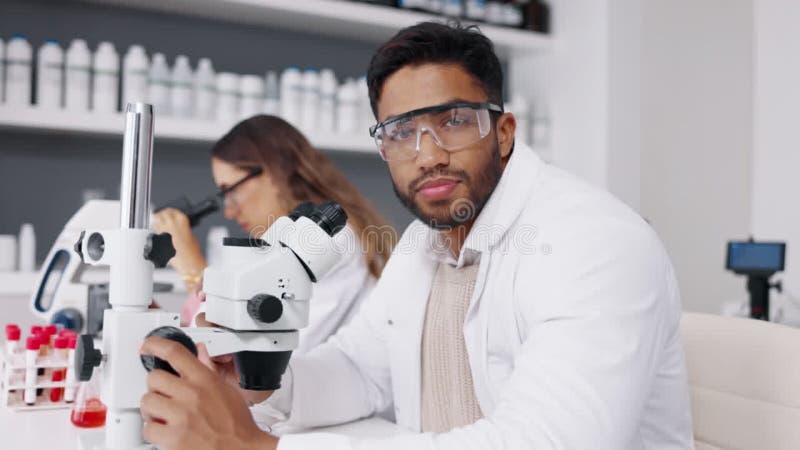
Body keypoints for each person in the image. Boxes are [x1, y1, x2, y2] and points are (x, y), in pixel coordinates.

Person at [139, 22, 694, 449]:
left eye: (453, 120)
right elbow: (360, 372)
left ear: (502, 132)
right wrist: (261, 374)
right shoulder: (425, 245)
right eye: (402, 132)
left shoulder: (592, 242)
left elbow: (543, 443)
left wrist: (259, 446)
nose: (427, 154)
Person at [154, 115, 395, 352]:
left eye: (231, 190)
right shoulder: (284, 242)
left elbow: (268, 354)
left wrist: (193, 270)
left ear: (272, 170)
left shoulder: (330, 242)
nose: (228, 210)